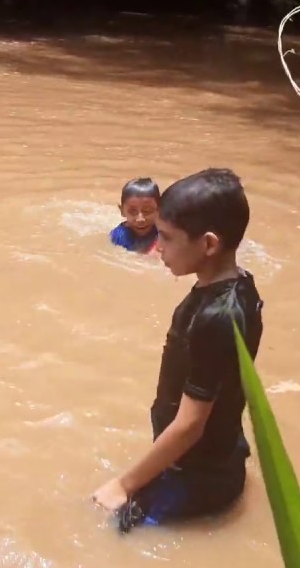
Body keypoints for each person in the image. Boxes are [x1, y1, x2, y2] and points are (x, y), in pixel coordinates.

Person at [91, 168, 264, 533]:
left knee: (108, 527)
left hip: (196, 476)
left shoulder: (217, 317)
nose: (160, 249)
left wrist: (123, 484)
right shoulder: (239, 288)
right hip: (218, 454)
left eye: (167, 239)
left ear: (209, 244)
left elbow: (188, 426)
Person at [109, 177, 161, 255]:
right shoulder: (119, 236)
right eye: (132, 212)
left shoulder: (164, 230)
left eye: (147, 211)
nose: (140, 219)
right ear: (122, 211)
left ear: (159, 210)